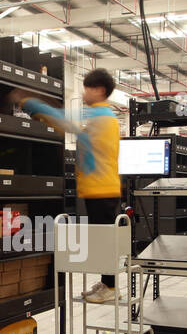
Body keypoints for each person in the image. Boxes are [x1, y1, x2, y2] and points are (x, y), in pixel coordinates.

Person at [9, 68, 122, 303]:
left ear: (100, 91)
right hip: (99, 188)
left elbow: (66, 123)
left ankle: (110, 288)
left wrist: (30, 103)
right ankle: (107, 282)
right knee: (101, 239)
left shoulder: (102, 118)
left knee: (102, 241)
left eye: (87, 89)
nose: (83, 94)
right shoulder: (100, 116)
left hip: (102, 189)